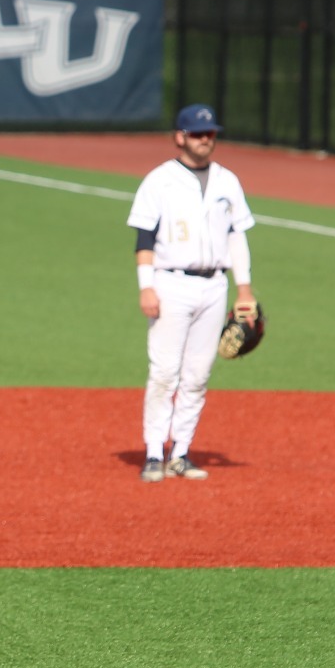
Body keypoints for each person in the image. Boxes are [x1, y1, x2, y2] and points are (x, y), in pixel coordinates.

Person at [125, 103, 258, 483]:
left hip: (214, 285)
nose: (206, 140)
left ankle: (180, 452)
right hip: (170, 284)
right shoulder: (159, 180)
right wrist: (146, 286)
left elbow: (237, 236)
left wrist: (243, 290)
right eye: (198, 134)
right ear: (179, 137)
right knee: (165, 372)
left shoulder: (227, 181)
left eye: (211, 133)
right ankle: (154, 453)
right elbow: (144, 237)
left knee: (197, 375)